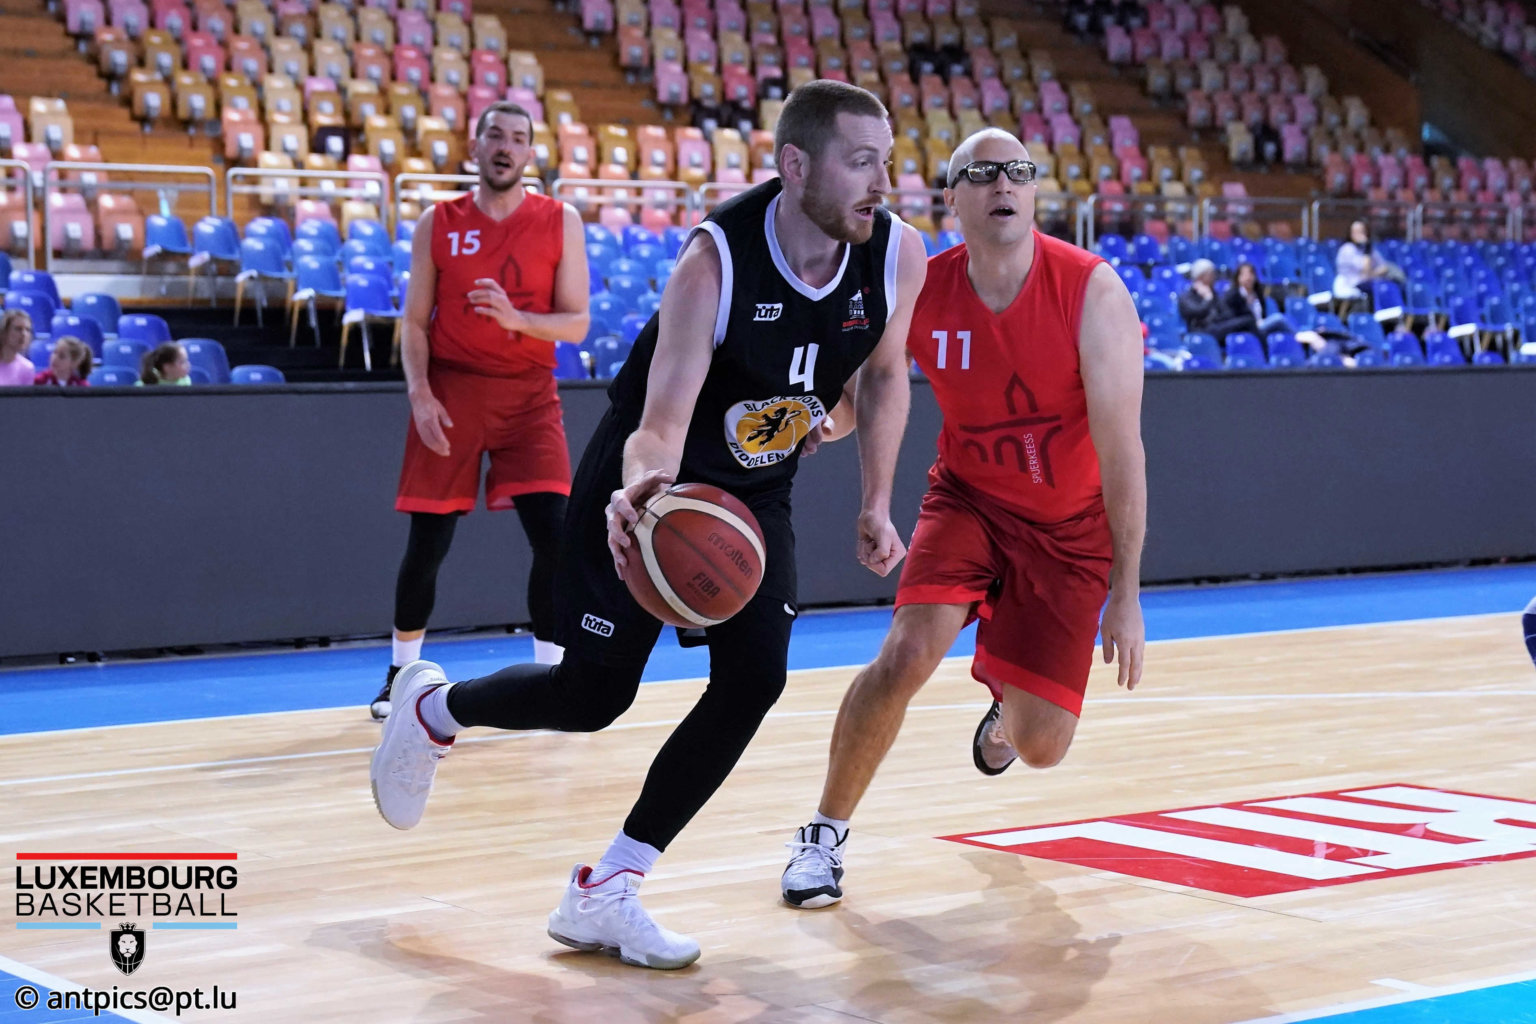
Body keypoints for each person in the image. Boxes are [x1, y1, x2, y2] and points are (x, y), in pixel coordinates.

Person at [370, 79, 928, 969]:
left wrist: (872, 499)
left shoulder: (897, 252)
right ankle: (434, 711)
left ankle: (610, 886)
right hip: (652, 487)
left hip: (759, 489)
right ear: (796, 165)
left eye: (887, 162)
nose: (880, 182)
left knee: (754, 679)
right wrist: (643, 492)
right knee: (593, 698)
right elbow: (659, 420)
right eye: (861, 161)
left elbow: (886, 376)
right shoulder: (716, 261)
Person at [779, 127, 1146, 909]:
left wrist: (1128, 590)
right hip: (969, 500)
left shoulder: (1094, 292)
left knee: (1043, 746)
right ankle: (823, 836)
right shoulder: (923, 285)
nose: (1002, 183)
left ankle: (1006, 719)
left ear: (1035, 191)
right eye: (982, 173)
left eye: (1017, 170)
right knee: (906, 654)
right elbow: (869, 391)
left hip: (1070, 527)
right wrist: (817, 427)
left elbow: (1124, 453)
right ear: (955, 199)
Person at [368, 101, 589, 721]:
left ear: (529, 154)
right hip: (452, 389)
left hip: (529, 393)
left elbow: (577, 323)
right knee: (430, 538)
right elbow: (414, 322)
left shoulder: (559, 219)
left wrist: (519, 320)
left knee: (555, 535)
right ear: (476, 146)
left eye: (519, 138)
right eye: (496, 134)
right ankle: (399, 673)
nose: (506, 146)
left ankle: (551, 679)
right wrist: (419, 392)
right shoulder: (437, 222)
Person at [1177, 258, 1248, 343]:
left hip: (1218, 326)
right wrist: (1207, 298)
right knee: (1248, 322)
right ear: (1201, 276)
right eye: (1211, 274)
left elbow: (1225, 313)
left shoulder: (1214, 293)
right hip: (1201, 332)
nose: (1214, 277)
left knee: (1246, 320)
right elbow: (1197, 313)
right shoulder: (1186, 296)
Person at [1221, 261, 1294, 338]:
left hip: (1261, 325)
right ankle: (1299, 339)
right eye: (1244, 274)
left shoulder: (1258, 293)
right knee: (1279, 319)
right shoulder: (1233, 295)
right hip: (1246, 328)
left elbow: (1262, 314)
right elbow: (1233, 318)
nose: (1248, 277)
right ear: (1238, 278)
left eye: (1251, 274)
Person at [0, 309, 35, 387]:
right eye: (18, 329)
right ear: (4, 332)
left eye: (28, 330)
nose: (24, 334)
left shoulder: (27, 368)